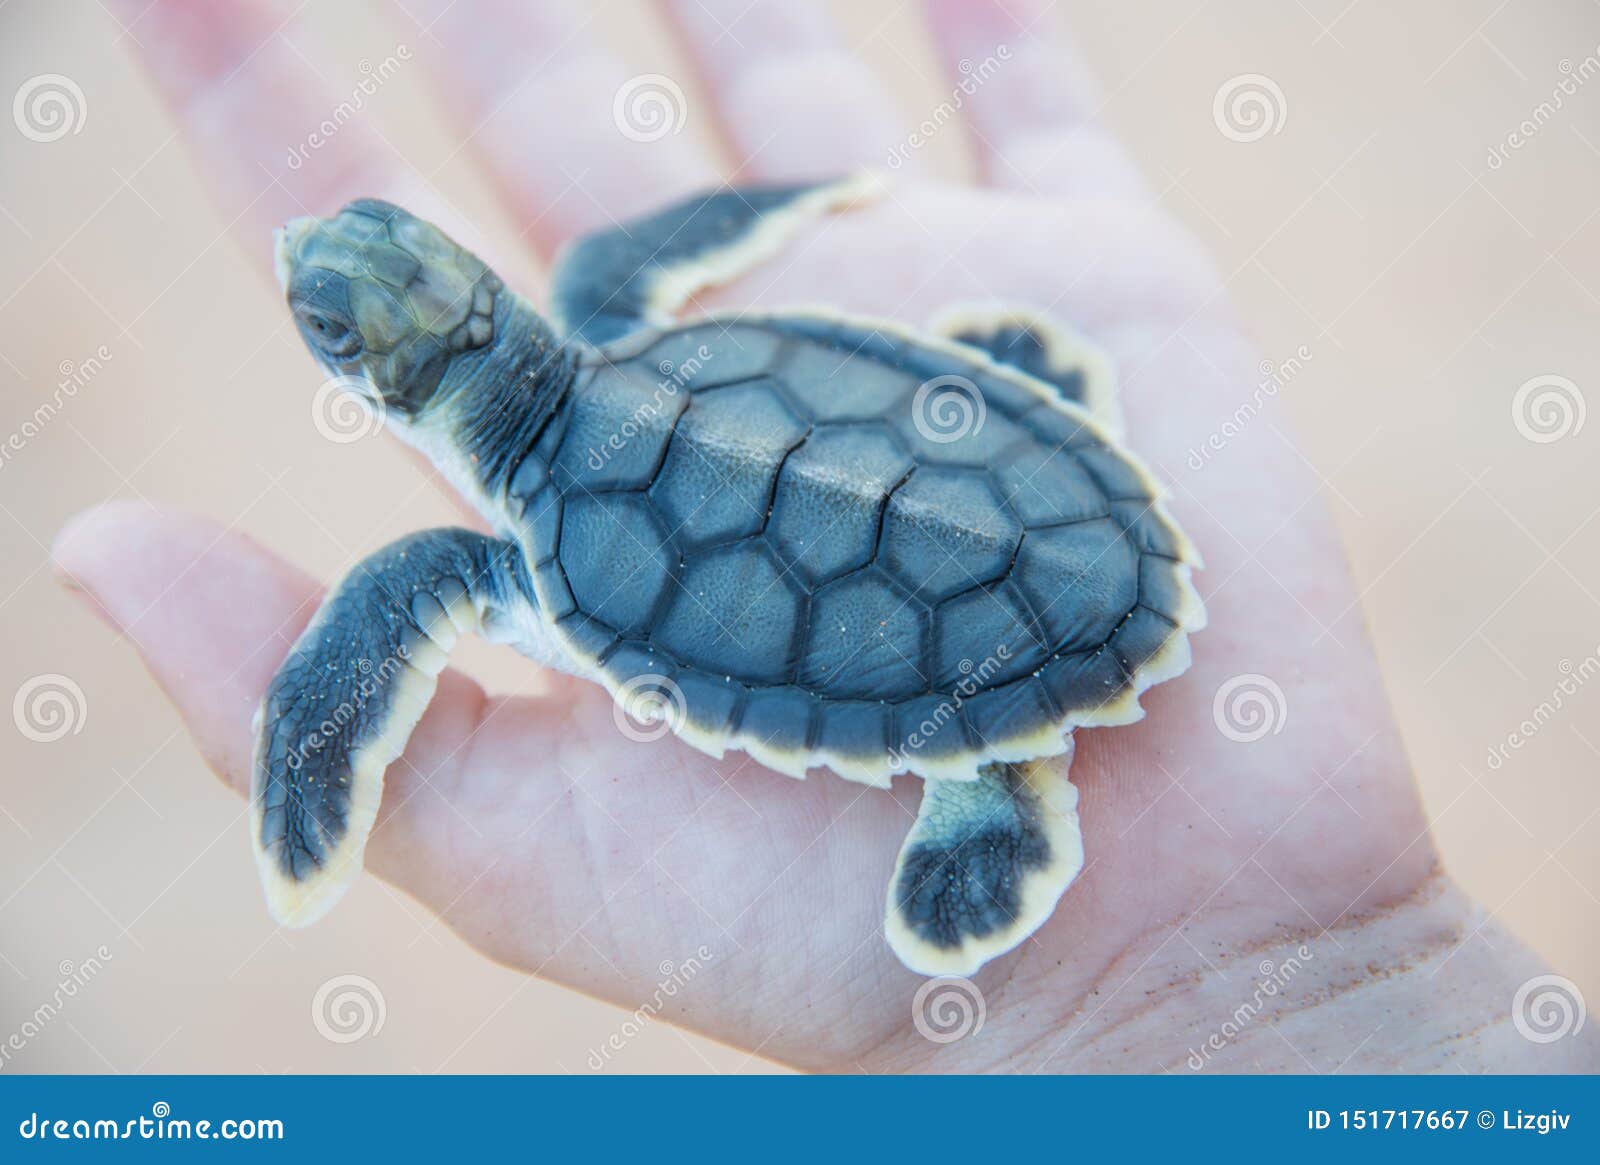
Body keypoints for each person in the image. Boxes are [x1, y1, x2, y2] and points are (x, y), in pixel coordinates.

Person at [56, 0, 1595, 1072]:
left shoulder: (496, 555)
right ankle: (1018, 511)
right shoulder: (610, 316)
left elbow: (394, 608)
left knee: (404, 584)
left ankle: (989, 772)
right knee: (839, 455)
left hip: (937, 578)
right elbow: (675, 253)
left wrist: (313, 745)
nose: (295, 269)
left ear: (372, 369)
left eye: (320, 307)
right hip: (1035, 483)